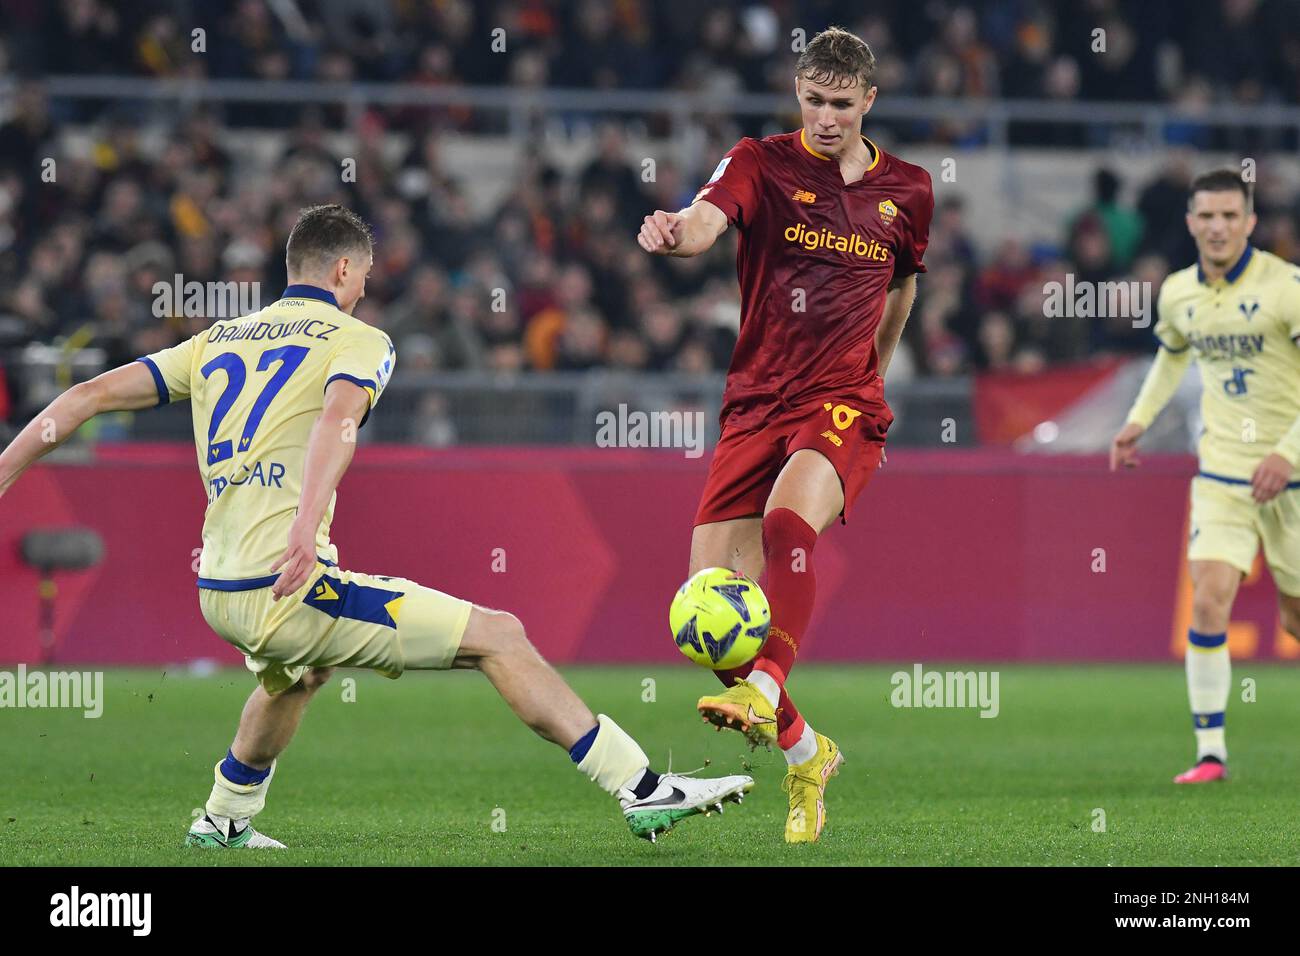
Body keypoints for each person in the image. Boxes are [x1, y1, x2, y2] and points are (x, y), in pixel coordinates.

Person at [0, 204, 752, 847]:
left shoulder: (217, 340)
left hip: (218, 586)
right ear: (341, 273)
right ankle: (642, 786)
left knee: (298, 672)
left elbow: (89, 395)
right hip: (288, 581)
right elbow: (337, 420)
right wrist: (302, 525)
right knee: (499, 633)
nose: (364, 289)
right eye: (362, 277)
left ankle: (225, 818)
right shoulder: (358, 341)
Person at [637, 27, 933, 842]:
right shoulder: (759, 162)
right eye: (814, 100)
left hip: (840, 398)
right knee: (701, 613)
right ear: (797, 93)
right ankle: (807, 752)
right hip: (755, 402)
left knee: (784, 526)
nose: (827, 117)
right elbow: (706, 219)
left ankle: (766, 690)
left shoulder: (907, 190)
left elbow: (902, 291)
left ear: (869, 100)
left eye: (842, 103)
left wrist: (873, 376)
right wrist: (674, 232)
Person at [1111, 170, 1300, 784]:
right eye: (1206, 217)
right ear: (1191, 222)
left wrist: (1287, 455)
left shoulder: (1287, 287)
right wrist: (1137, 421)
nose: (1217, 227)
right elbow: (1172, 355)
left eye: (1229, 216)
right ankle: (1211, 753)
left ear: (1249, 222)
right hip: (1221, 474)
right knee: (1211, 597)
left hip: (1291, 478)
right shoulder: (1177, 293)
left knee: (1296, 619)